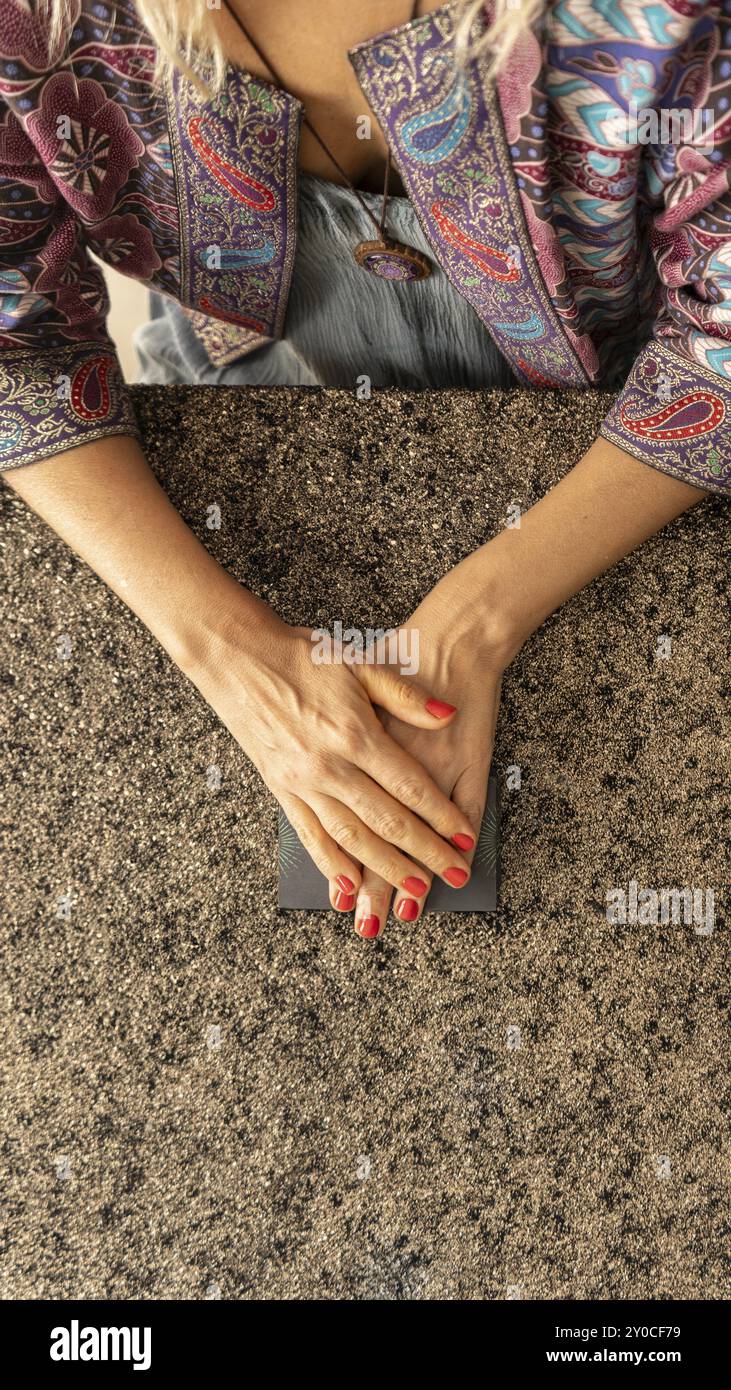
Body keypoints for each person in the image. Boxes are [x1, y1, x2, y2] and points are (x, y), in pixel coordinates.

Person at [1, 1, 728, 938]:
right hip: (245, 369)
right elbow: (15, 336)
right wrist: (229, 652)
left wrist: (476, 621)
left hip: (620, 402)